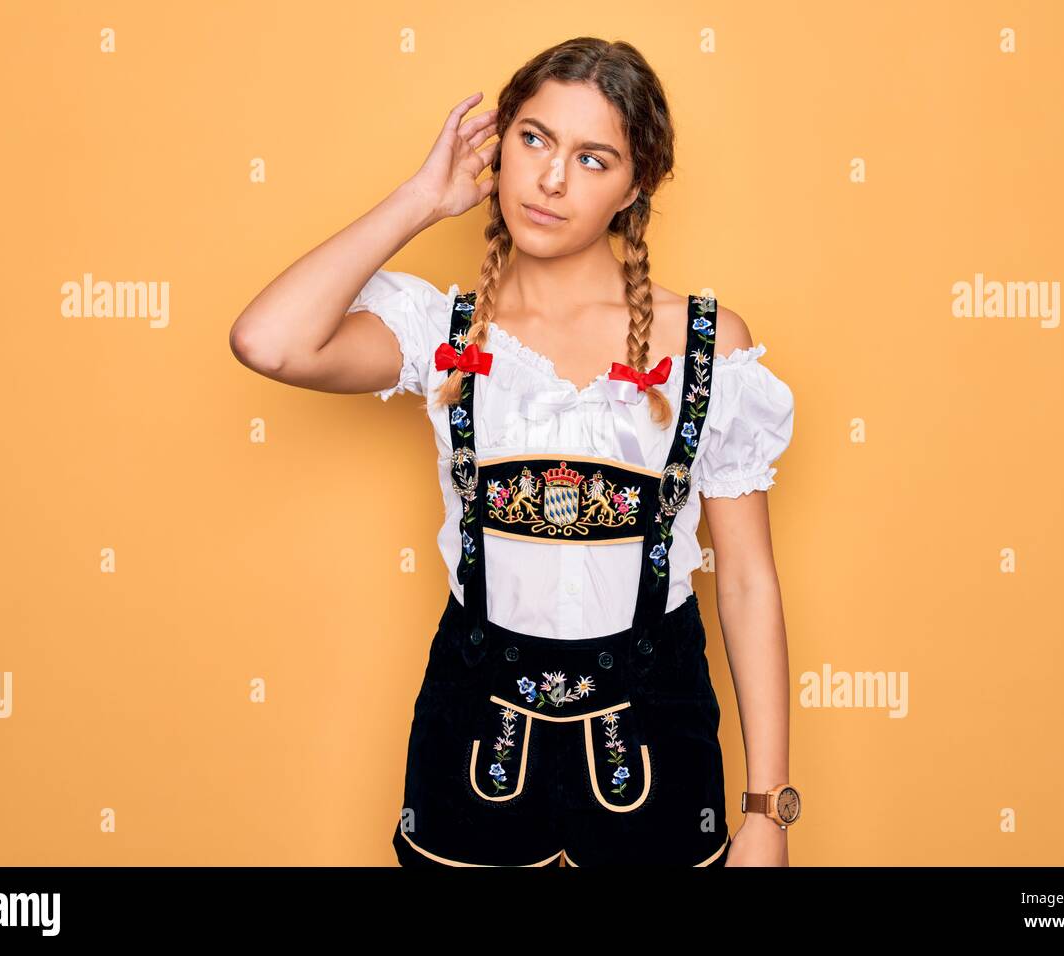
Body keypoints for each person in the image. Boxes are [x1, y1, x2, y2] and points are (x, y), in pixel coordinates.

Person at [229, 37, 798, 866]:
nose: (553, 179)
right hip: (471, 749)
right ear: (499, 148)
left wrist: (766, 812)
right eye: (533, 139)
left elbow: (747, 583)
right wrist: (423, 199)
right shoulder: (445, 332)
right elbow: (268, 342)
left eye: (593, 158)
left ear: (636, 186)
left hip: (658, 746)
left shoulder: (705, 346)